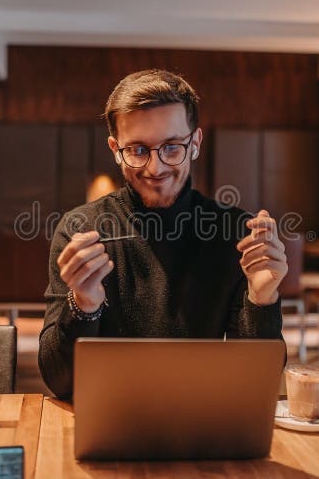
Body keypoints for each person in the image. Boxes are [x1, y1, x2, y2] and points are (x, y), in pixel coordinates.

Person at [38, 69, 287, 399]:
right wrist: (83, 306)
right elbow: (60, 384)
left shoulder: (236, 235)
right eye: (138, 150)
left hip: (203, 418)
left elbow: (258, 381)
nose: (155, 168)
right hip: (108, 419)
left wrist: (262, 299)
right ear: (115, 148)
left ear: (195, 142)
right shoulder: (81, 230)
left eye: (172, 147)